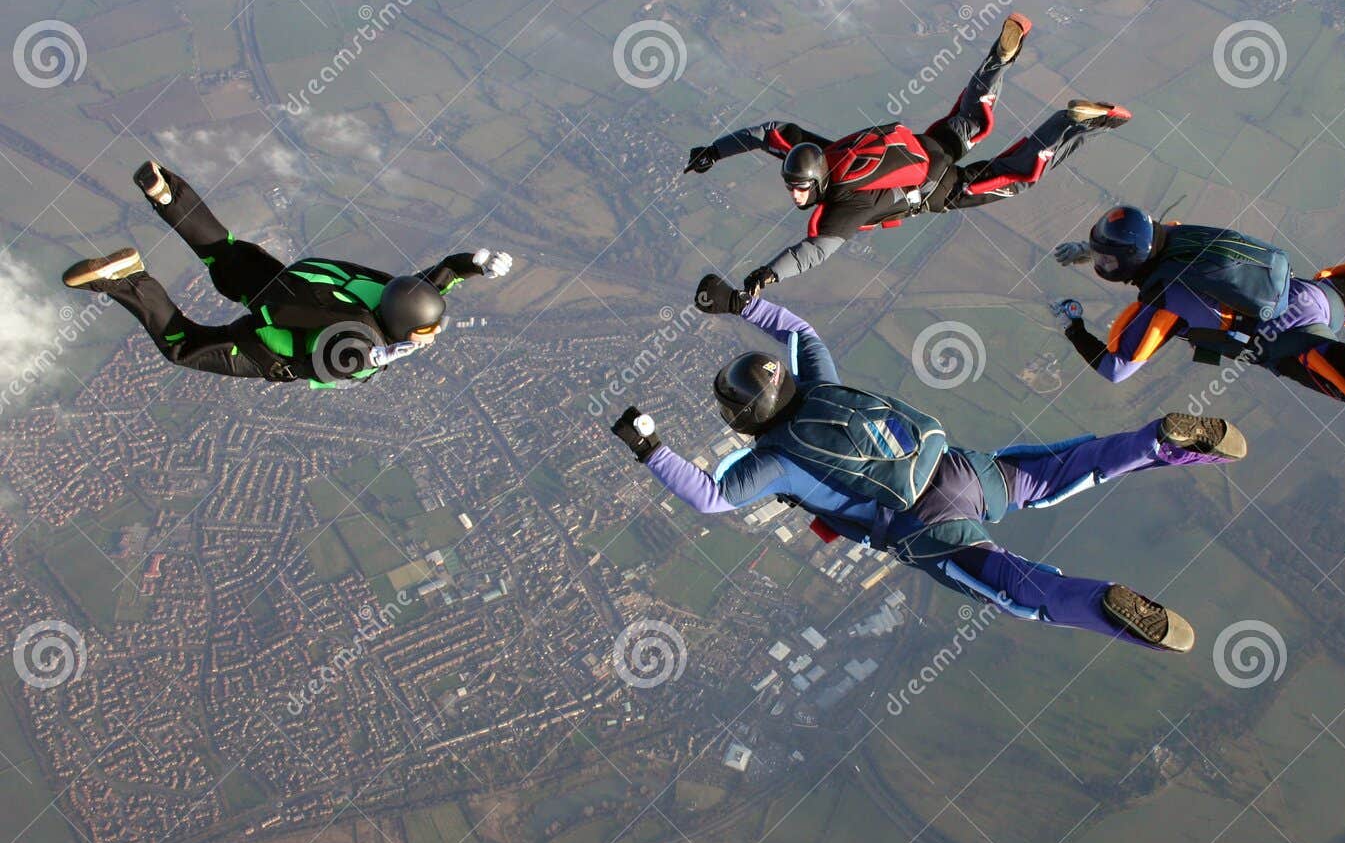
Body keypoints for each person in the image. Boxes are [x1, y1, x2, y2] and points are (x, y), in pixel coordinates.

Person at [609, 275, 1252, 654]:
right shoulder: (823, 387)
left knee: (1017, 590)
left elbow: (709, 498)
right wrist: (738, 303)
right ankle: (1157, 442)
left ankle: (1100, 607)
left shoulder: (775, 461)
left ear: (744, 420)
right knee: (1071, 468)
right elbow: (801, 332)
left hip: (925, 525)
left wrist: (648, 447)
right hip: (960, 469)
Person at [682, 13, 1130, 297]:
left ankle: (1076, 123)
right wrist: (713, 152)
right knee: (971, 115)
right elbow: (769, 133)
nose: (796, 197)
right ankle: (1000, 56)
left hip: (941, 190)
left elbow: (812, 253)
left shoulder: (843, 206)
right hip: (926, 146)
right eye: (792, 188)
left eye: (800, 190)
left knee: (1021, 172)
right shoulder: (817, 152)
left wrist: (766, 274)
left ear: (817, 182)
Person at [60, 161, 513, 386]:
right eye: (427, 329)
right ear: (399, 325)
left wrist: (474, 263)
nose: (432, 335)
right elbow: (336, 362)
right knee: (184, 347)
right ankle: (129, 279)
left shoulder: (396, 293)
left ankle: (167, 192)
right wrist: (380, 357)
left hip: (283, 284)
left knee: (224, 251)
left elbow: (441, 276)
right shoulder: (362, 342)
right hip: (265, 343)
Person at [1055, 197, 1345, 412]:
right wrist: (1084, 249)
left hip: (1289, 341)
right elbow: (1139, 243)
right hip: (1311, 296)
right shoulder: (1176, 233)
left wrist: (1074, 328)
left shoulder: (1164, 303)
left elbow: (1116, 369)